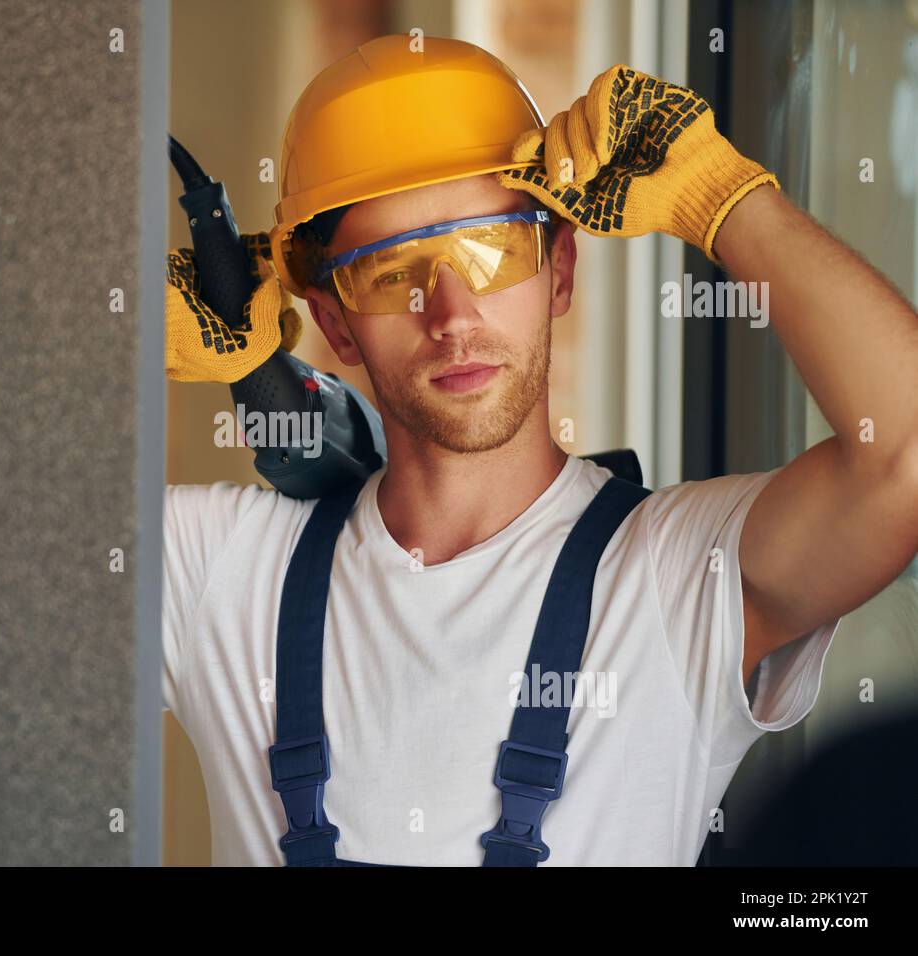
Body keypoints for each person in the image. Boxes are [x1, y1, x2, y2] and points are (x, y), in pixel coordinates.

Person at [162, 35, 918, 866]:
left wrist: (723, 200)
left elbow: (903, 455)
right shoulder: (218, 573)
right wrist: (99, 341)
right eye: (388, 272)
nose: (449, 312)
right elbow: (2, 538)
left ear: (560, 268)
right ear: (335, 320)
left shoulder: (675, 579)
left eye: (492, 249)